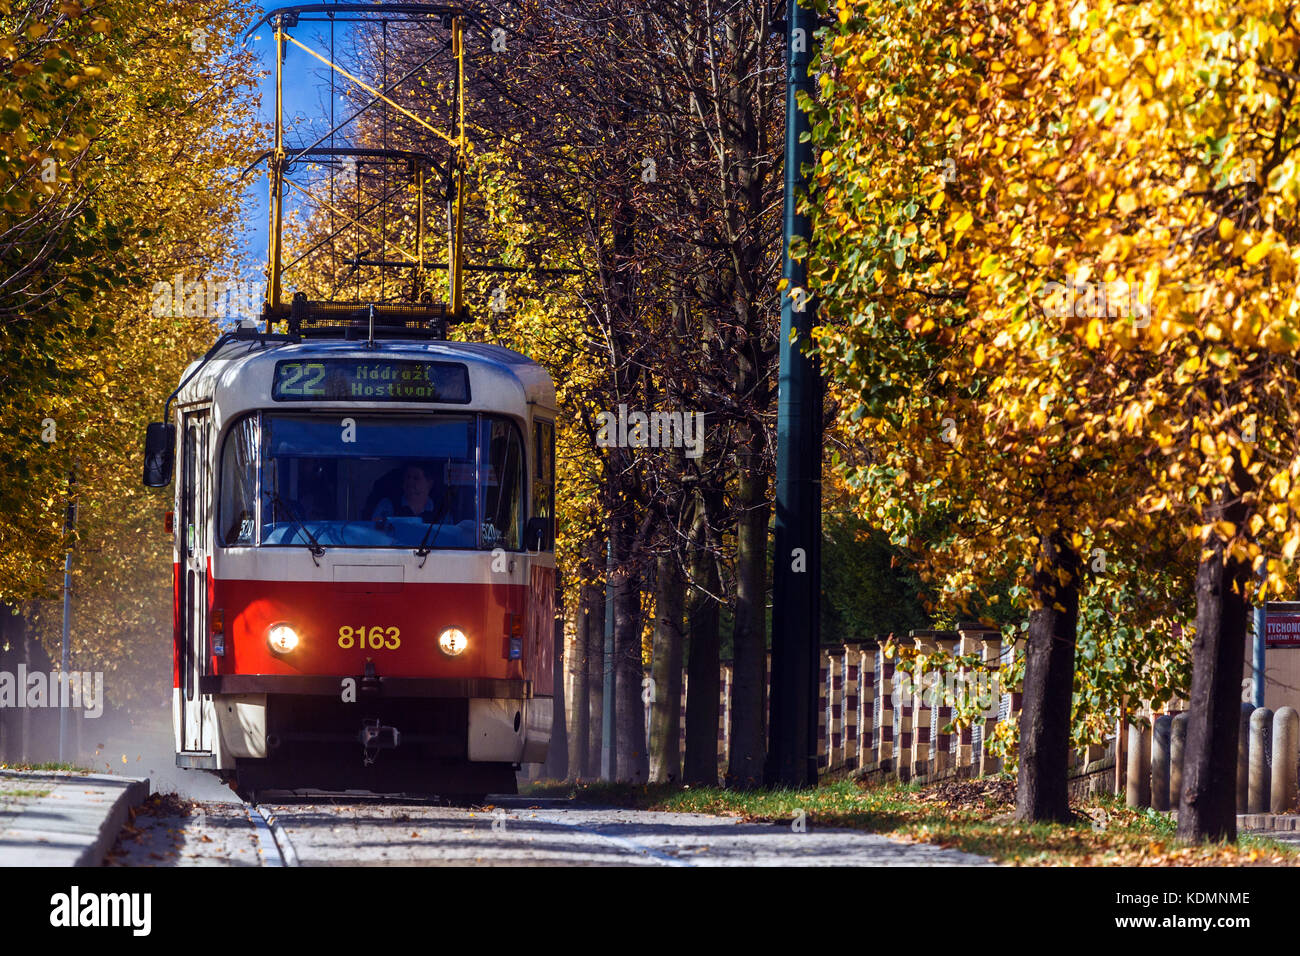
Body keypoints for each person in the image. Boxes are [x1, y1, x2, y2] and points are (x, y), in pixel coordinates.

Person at [371, 461, 438, 521]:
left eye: (416, 478)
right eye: (408, 477)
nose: (410, 482)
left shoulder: (440, 508)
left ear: (429, 483)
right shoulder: (388, 504)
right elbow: (375, 531)